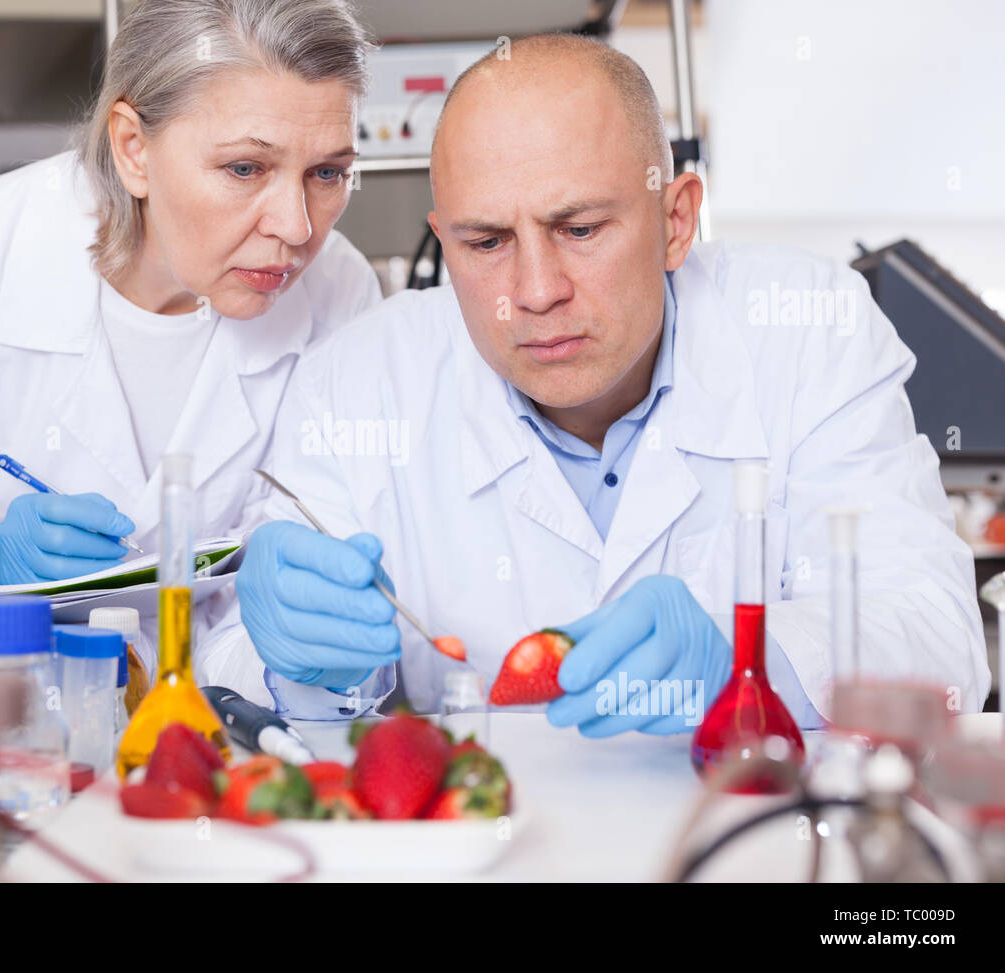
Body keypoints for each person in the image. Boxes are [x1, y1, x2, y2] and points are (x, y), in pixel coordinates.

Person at [198, 33, 989, 731]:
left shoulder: (805, 331)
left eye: (579, 229)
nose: (537, 290)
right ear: (445, 238)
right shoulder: (360, 381)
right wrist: (296, 662)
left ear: (676, 219)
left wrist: (747, 656)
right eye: (486, 241)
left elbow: (939, 639)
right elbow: (229, 670)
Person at [0, 0, 382, 715]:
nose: (296, 226)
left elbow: (310, 568)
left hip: (220, 761)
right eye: (246, 168)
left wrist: (301, 644)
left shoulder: (342, 295)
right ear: (133, 148)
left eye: (329, 173)